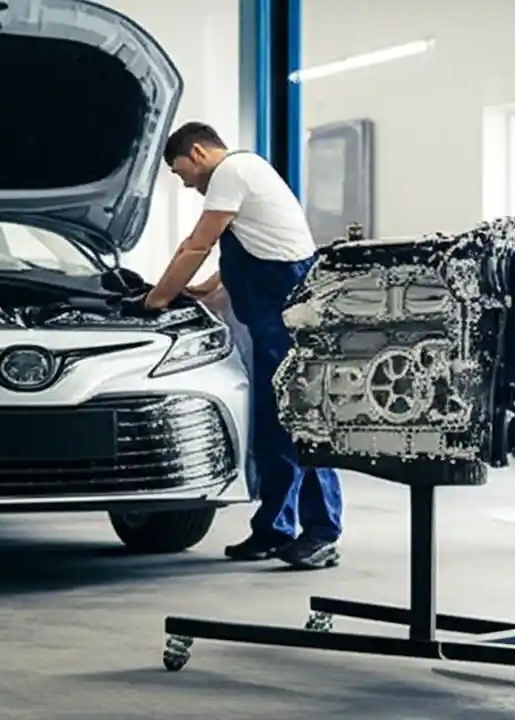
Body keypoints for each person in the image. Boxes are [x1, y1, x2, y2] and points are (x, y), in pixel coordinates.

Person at [141, 121, 343, 570]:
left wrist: (156, 298)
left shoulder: (232, 171)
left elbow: (197, 244)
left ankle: (322, 532)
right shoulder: (248, 173)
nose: (185, 183)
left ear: (196, 153)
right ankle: (275, 528)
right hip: (272, 319)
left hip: (289, 319)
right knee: (273, 429)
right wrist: (209, 284)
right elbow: (254, 242)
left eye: (180, 173)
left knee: (302, 423)